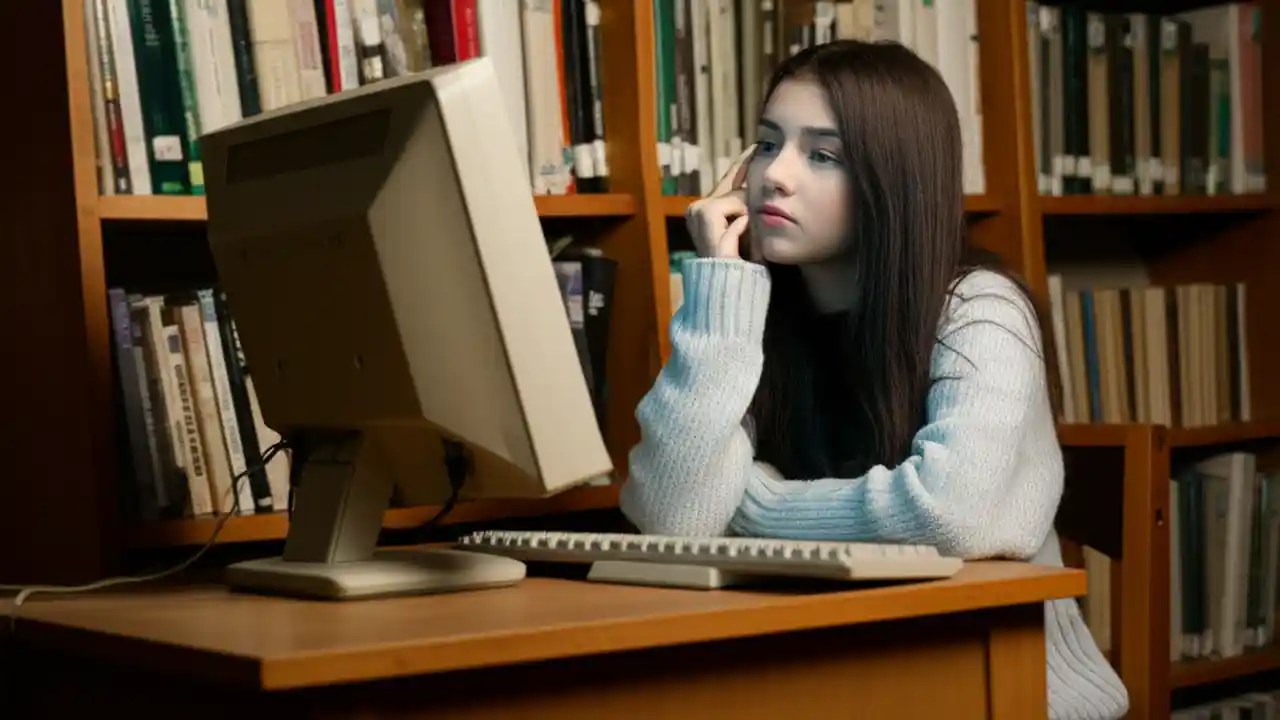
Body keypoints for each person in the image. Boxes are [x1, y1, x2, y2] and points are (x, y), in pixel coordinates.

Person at [618, 39, 1128, 720]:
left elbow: (948, 513)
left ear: (893, 180)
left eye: (822, 155)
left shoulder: (979, 309)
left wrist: (756, 507)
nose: (775, 176)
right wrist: (720, 287)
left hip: (997, 686)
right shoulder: (745, 317)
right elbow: (672, 519)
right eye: (768, 145)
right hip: (825, 673)